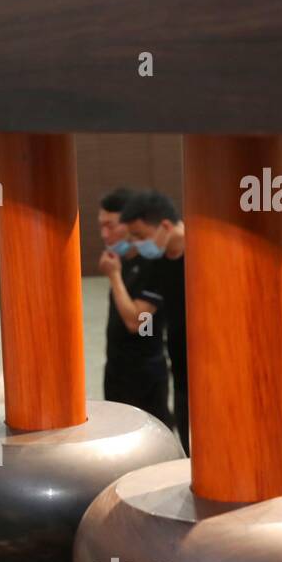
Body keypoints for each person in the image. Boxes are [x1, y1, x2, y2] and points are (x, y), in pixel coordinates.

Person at [119, 190, 189, 454]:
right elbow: (139, 318)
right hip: (182, 370)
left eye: (139, 236)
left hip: (219, 371)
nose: (136, 244)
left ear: (165, 226)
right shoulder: (156, 263)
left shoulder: (207, 252)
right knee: (189, 449)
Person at [97, 188, 172, 430]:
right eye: (101, 226)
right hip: (117, 367)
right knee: (119, 433)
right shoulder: (124, 261)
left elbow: (137, 321)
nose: (104, 234)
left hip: (145, 372)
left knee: (156, 436)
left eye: (110, 226)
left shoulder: (153, 263)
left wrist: (114, 277)